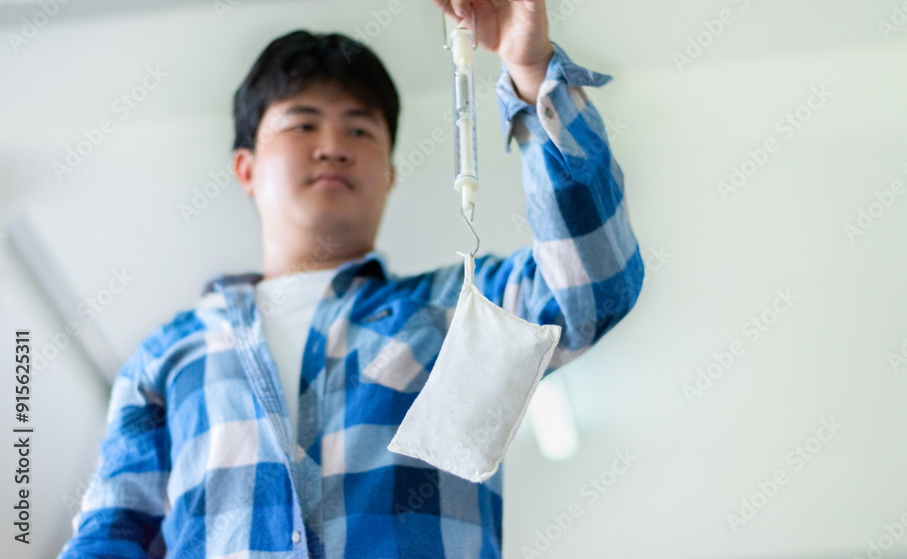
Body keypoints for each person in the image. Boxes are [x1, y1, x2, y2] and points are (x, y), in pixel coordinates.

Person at [58, 0, 643, 557]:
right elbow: (113, 532)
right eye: (303, 124)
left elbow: (594, 286)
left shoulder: (458, 312)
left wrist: (530, 68)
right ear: (246, 168)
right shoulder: (164, 357)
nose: (333, 147)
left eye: (360, 129)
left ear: (388, 174)